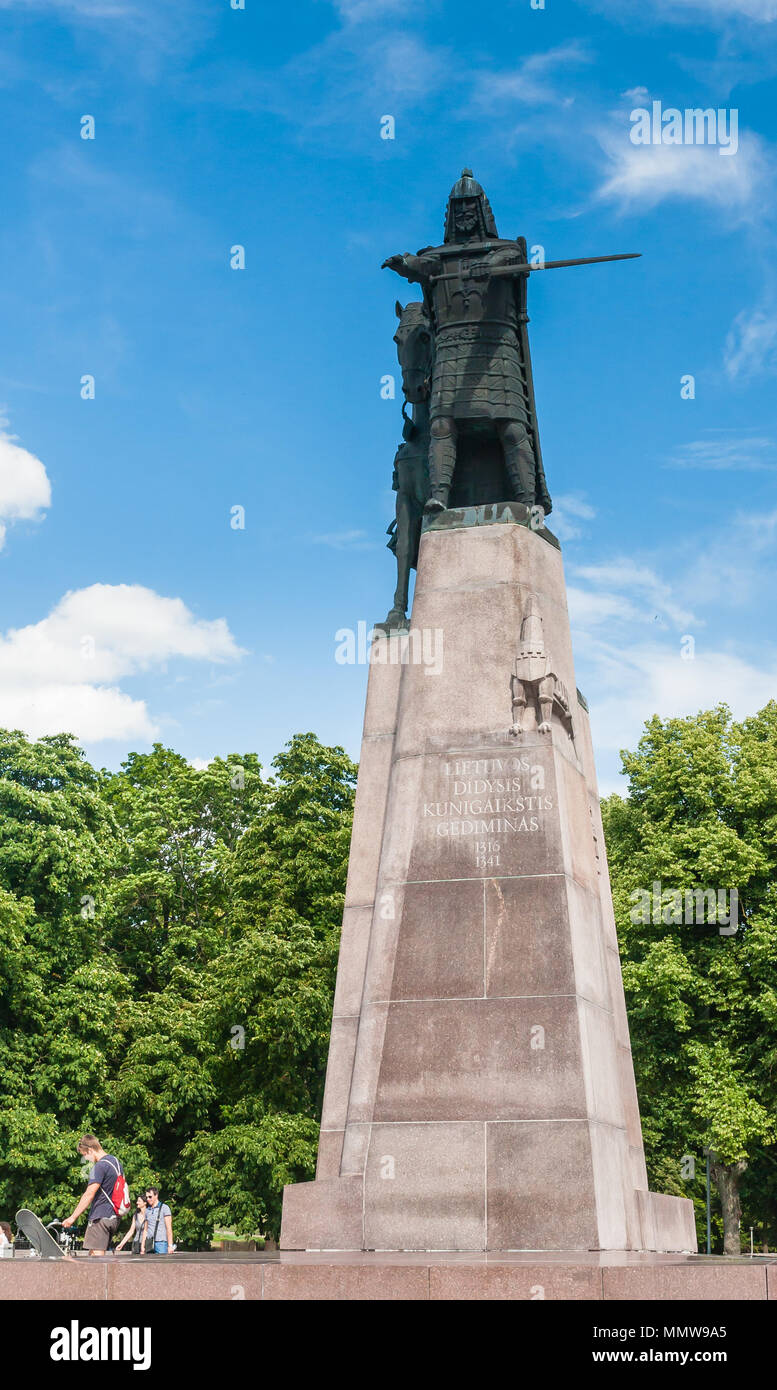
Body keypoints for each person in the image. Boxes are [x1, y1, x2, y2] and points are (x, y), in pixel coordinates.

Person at [62, 1134, 126, 1256]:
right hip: (114, 1216)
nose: (85, 1159)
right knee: (92, 1256)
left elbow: (89, 1194)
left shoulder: (99, 1166)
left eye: (84, 1155)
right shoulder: (116, 1162)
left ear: (90, 1150)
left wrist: (72, 1217)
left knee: (97, 1262)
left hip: (100, 1217)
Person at [141, 1186, 173, 1254]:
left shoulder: (164, 1208)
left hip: (161, 1243)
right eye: (147, 1197)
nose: (148, 1199)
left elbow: (169, 1228)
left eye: (150, 1197)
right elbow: (145, 1229)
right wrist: (142, 1245)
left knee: (161, 1264)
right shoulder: (147, 1210)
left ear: (156, 1196)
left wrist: (170, 1245)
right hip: (149, 1243)